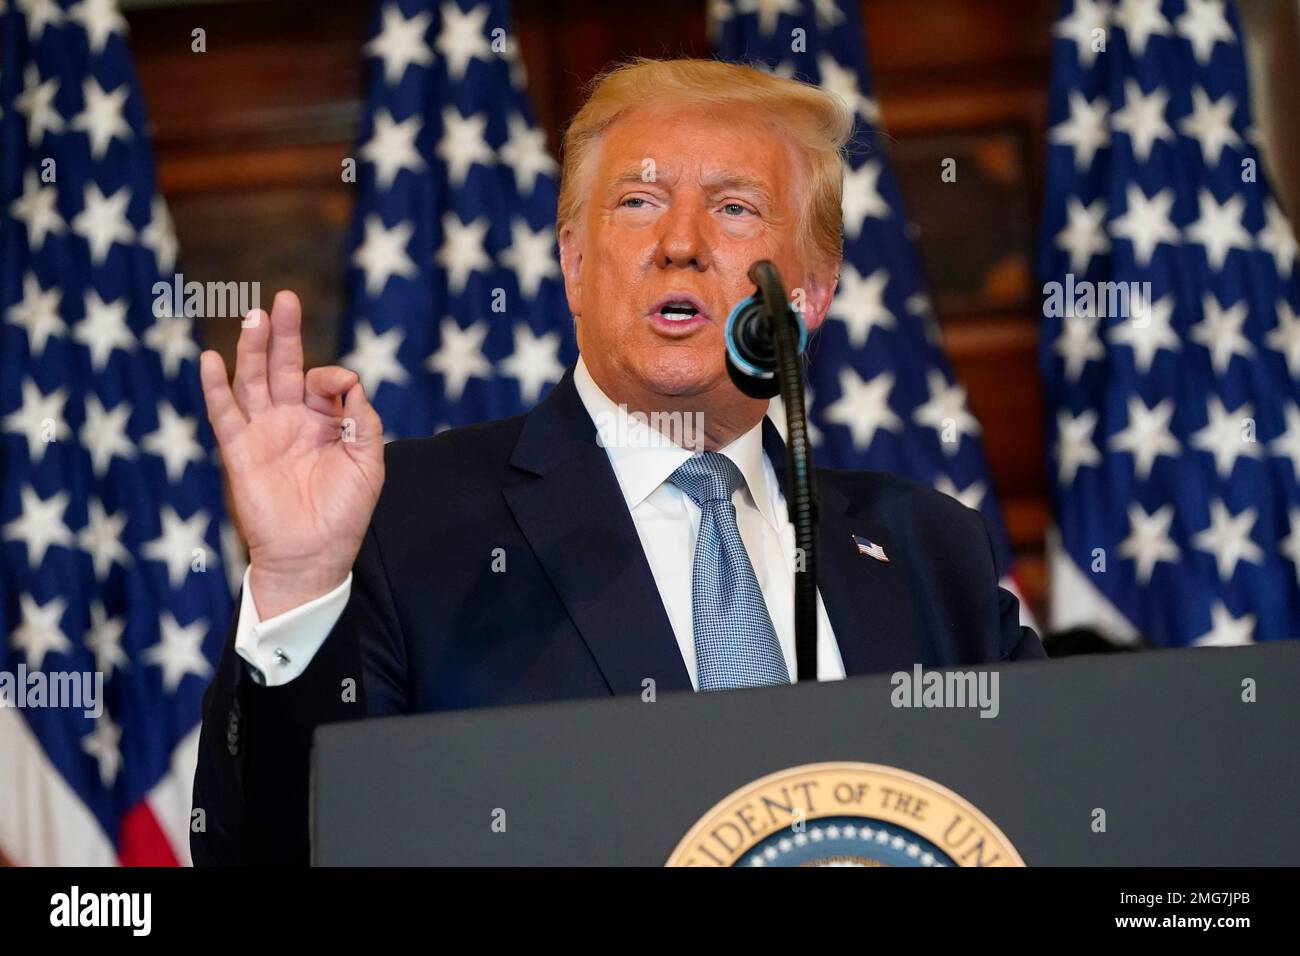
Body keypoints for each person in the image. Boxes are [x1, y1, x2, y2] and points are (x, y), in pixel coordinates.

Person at [191, 58, 1045, 866]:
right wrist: (299, 585)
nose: (680, 242)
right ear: (572, 262)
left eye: (736, 207)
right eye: (638, 202)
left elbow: (1052, 817)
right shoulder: (406, 525)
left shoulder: (931, 555)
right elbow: (267, 856)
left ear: (812, 293)